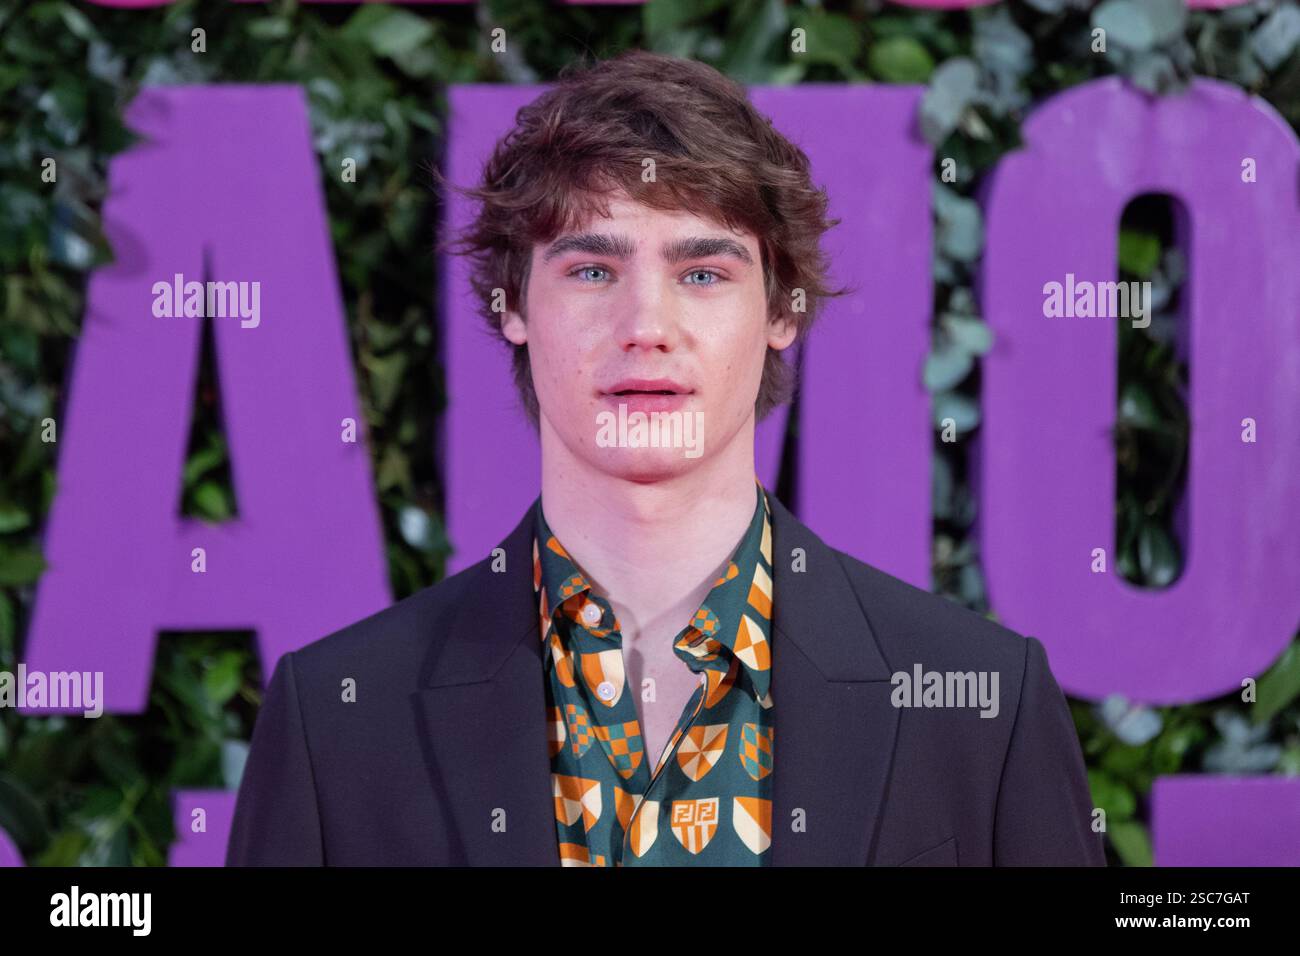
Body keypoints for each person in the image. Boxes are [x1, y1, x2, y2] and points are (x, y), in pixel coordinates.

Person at [226, 49, 1105, 867]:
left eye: (703, 274)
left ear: (782, 313)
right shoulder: (334, 720)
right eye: (592, 271)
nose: (646, 326)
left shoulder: (986, 706)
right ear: (513, 307)